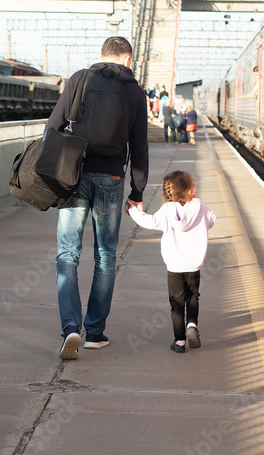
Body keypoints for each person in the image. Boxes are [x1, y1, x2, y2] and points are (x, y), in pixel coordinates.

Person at [46, 36, 149, 360]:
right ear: (128, 59)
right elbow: (140, 146)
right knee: (105, 255)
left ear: (102, 55)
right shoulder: (134, 91)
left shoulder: (80, 79)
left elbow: (53, 126)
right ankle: (95, 331)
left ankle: (71, 327)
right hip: (112, 178)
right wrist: (138, 192)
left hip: (73, 177)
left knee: (67, 253)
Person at [127, 170, 216, 353]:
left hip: (174, 266)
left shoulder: (167, 210)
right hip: (194, 265)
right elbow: (212, 221)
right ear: (190, 190)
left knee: (177, 303)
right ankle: (192, 325)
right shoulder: (199, 206)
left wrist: (132, 210)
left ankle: (180, 342)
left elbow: (149, 221)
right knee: (193, 296)